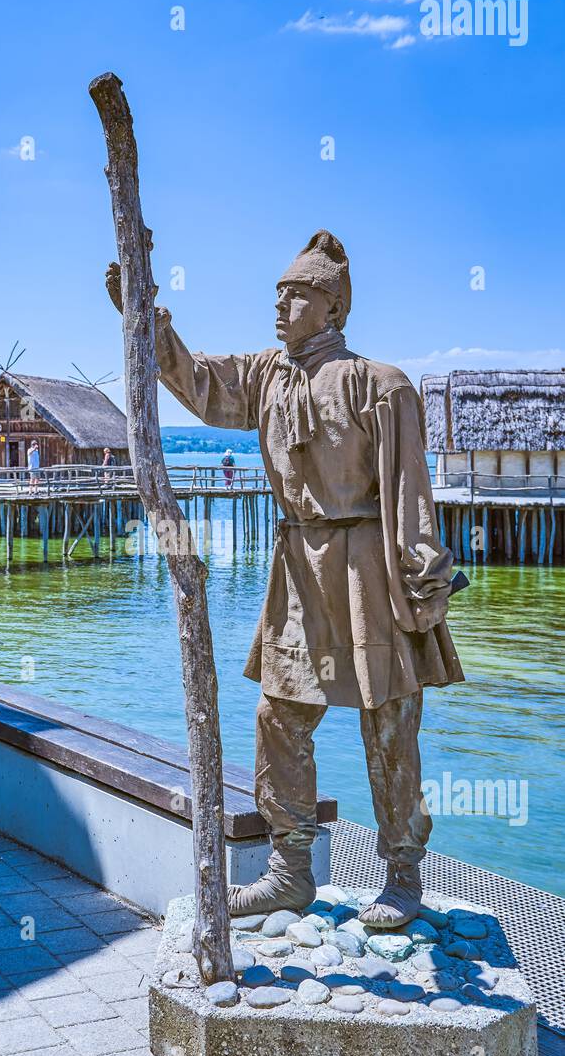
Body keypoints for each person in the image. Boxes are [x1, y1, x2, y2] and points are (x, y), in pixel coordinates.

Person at [106, 230, 464, 928]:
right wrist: (143, 317)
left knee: (390, 721)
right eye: (277, 293)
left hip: (369, 571)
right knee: (279, 714)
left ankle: (401, 873)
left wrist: (423, 580)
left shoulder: (379, 384)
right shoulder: (267, 375)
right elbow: (200, 384)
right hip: (298, 570)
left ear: (332, 306)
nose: (280, 304)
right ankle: (289, 868)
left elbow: (409, 492)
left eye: (296, 294)